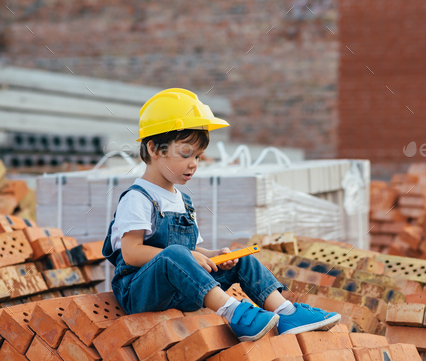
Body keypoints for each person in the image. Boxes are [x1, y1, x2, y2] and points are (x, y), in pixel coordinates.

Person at [102, 88, 341, 341]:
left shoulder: (183, 201)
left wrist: (212, 256)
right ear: (153, 148)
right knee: (176, 254)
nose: (194, 163)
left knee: (241, 258)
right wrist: (187, 256)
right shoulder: (138, 198)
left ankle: (286, 313)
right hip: (140, 292)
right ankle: (234, 314)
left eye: (197, 155)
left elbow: (191, 250)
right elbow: (131, 252)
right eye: (186, 153)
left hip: (182, 289)